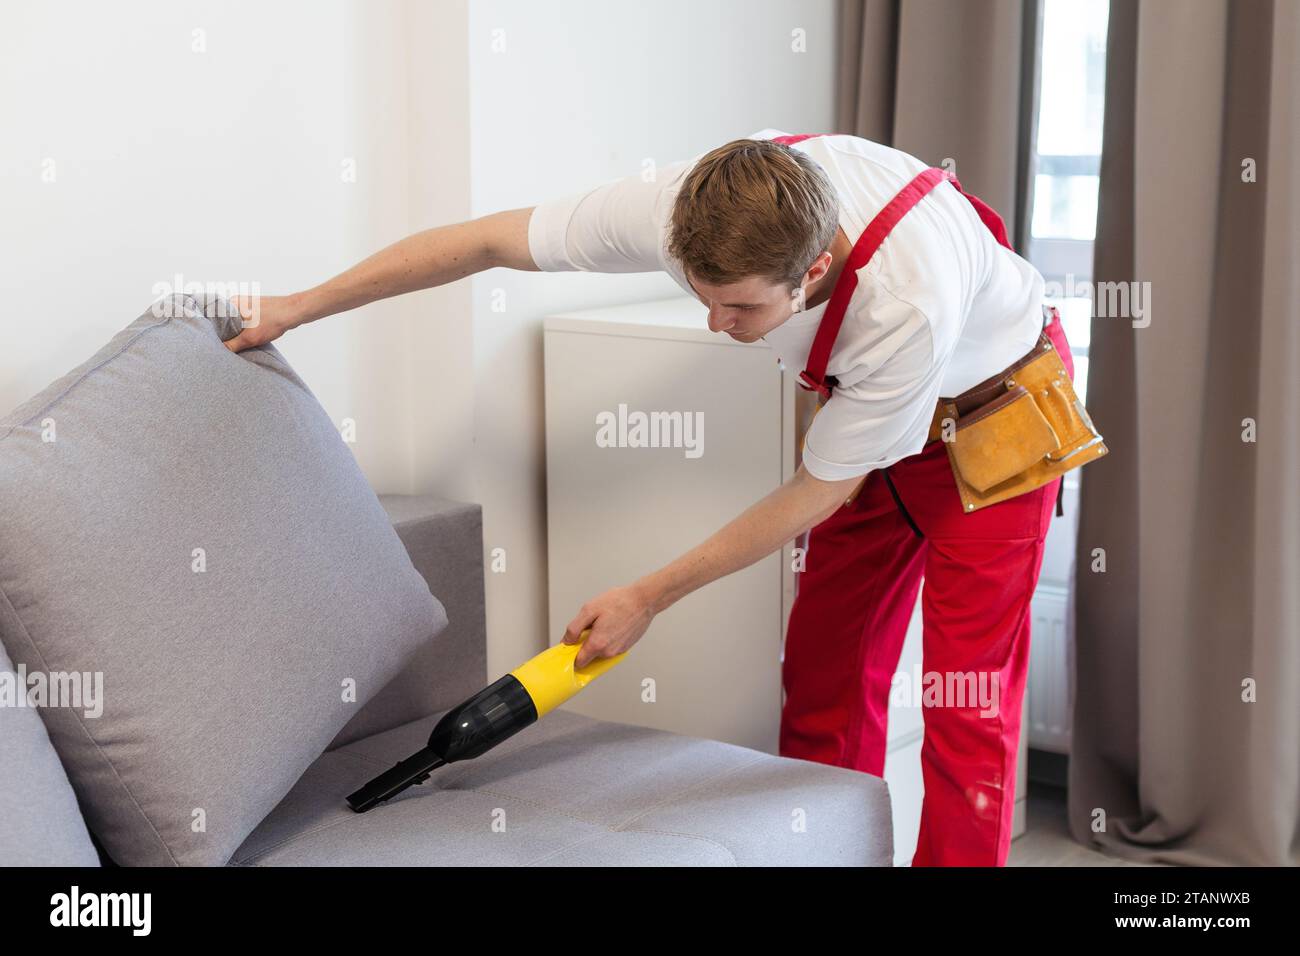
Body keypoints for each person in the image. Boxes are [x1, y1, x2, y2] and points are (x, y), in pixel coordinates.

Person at [228, 129, 1072, 866]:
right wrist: (299, 308)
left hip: (993, 416)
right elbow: (484, 243)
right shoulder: (683, 205)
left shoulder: (904, 308)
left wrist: (648, 595)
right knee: (824, 668)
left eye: (739, 307)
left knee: (964, 698)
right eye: (700, 295)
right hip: (869, 413)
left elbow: (820, 489)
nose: (715, 325)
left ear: (814, 270)